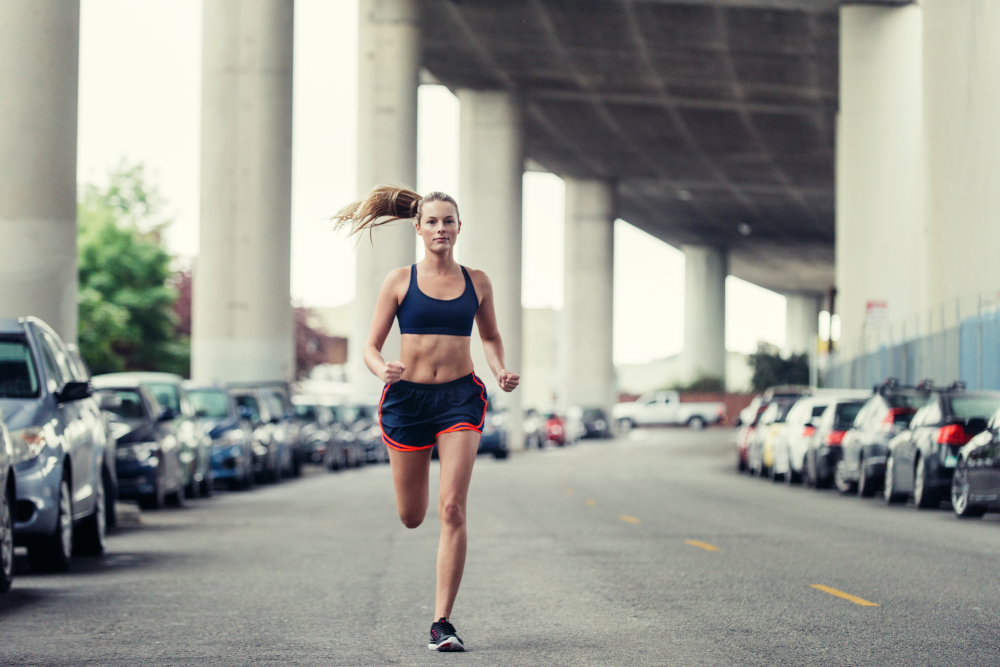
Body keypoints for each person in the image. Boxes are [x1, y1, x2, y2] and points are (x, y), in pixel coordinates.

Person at [333, 185, 519, 652]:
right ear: (418, 228)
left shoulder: (478, 282)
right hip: (408, 402)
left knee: (452, 507)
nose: (441, 229)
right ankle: (437, 604)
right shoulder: (400, 281)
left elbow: (490, 336)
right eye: (432, 222)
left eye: (448, 221)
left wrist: (499, 369)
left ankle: (442, 623)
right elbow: (370, 346)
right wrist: (383, 369)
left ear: (459, 227)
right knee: (412, 516)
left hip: (460, 399)